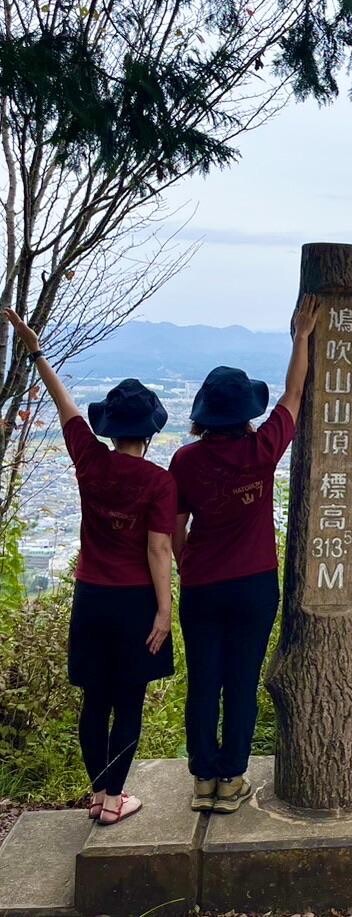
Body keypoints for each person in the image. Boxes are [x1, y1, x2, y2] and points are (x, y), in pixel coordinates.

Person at [4, 309, 176, 826]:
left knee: (94, 701)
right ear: (147, 432)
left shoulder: (90, 461)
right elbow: (159, 551)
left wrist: (35, 351)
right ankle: (115, 800)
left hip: (91, 597)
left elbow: (65, 407)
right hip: (135, 601)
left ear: (111, 427)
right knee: (129, 702)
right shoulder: (158, 482)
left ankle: (99, 793)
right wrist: (165, 610)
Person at [170, 294, 320, 814]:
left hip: (203, 586)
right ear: (245, 415)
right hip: (255, 583)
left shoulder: (185, 461)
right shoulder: (260, 451)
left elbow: (174, 524)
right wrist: (301, 336)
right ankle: (232, 779)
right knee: (241, 681)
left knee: (203, 681)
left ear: (204, 415)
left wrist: (187, 561)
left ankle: (203, 780)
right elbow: (294, 394)